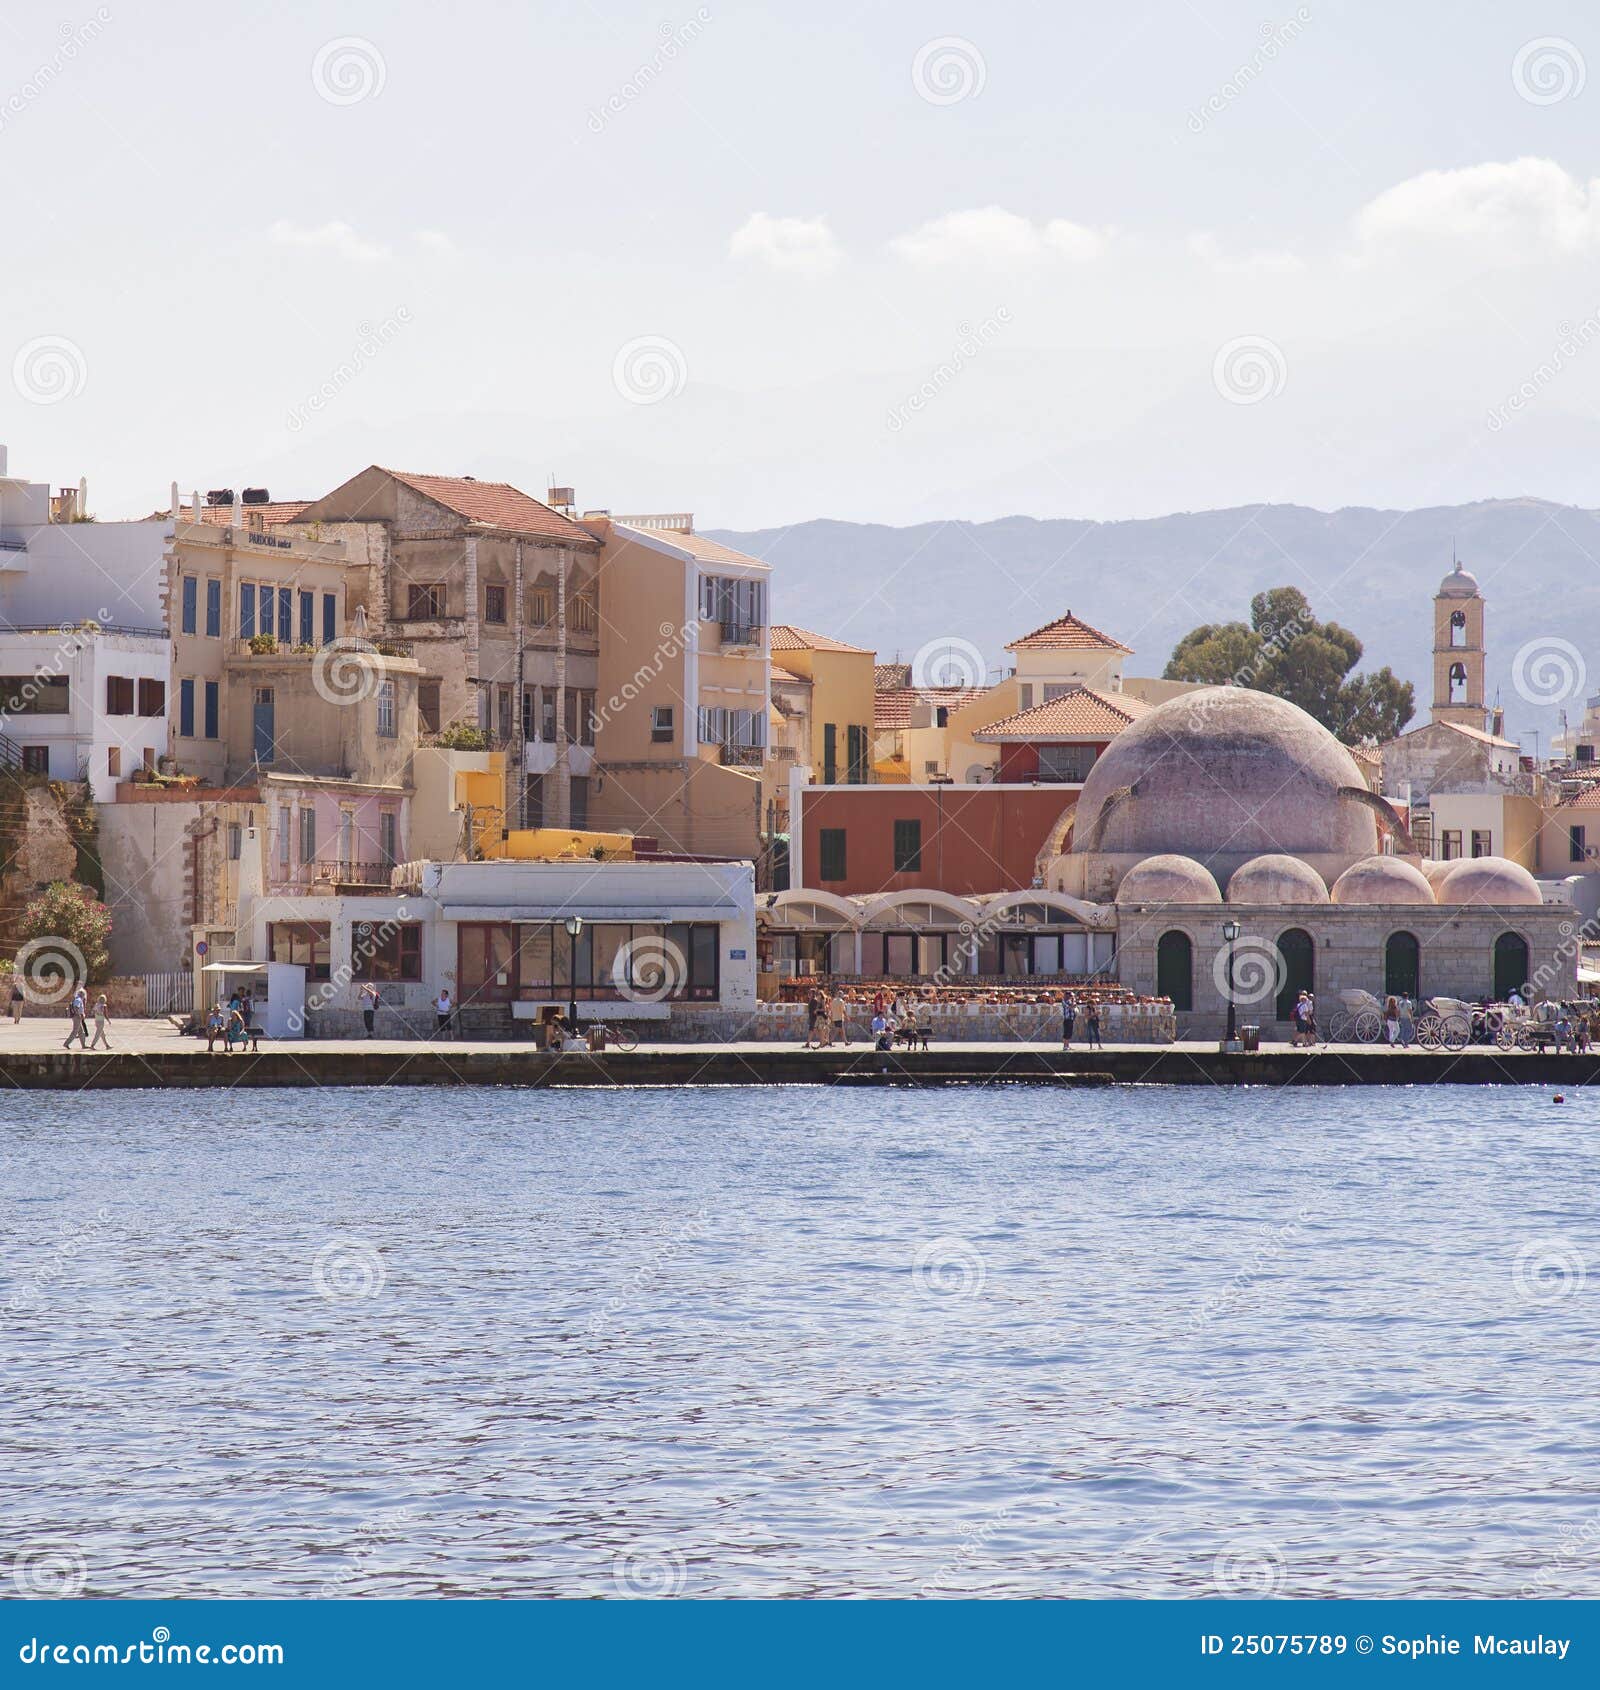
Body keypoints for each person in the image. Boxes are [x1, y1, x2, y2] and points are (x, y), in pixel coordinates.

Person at [64, 985, 89, 1051]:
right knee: (75, 1031)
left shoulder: (78, 999)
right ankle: (66, 1044)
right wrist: (79, 1015)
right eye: (84, 995)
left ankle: (83, 1045)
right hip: (77, 1017)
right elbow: (76, 1007)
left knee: (81, 1032)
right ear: (82, 994)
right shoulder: (78, 999)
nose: (84, 996)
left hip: (77, 1017)